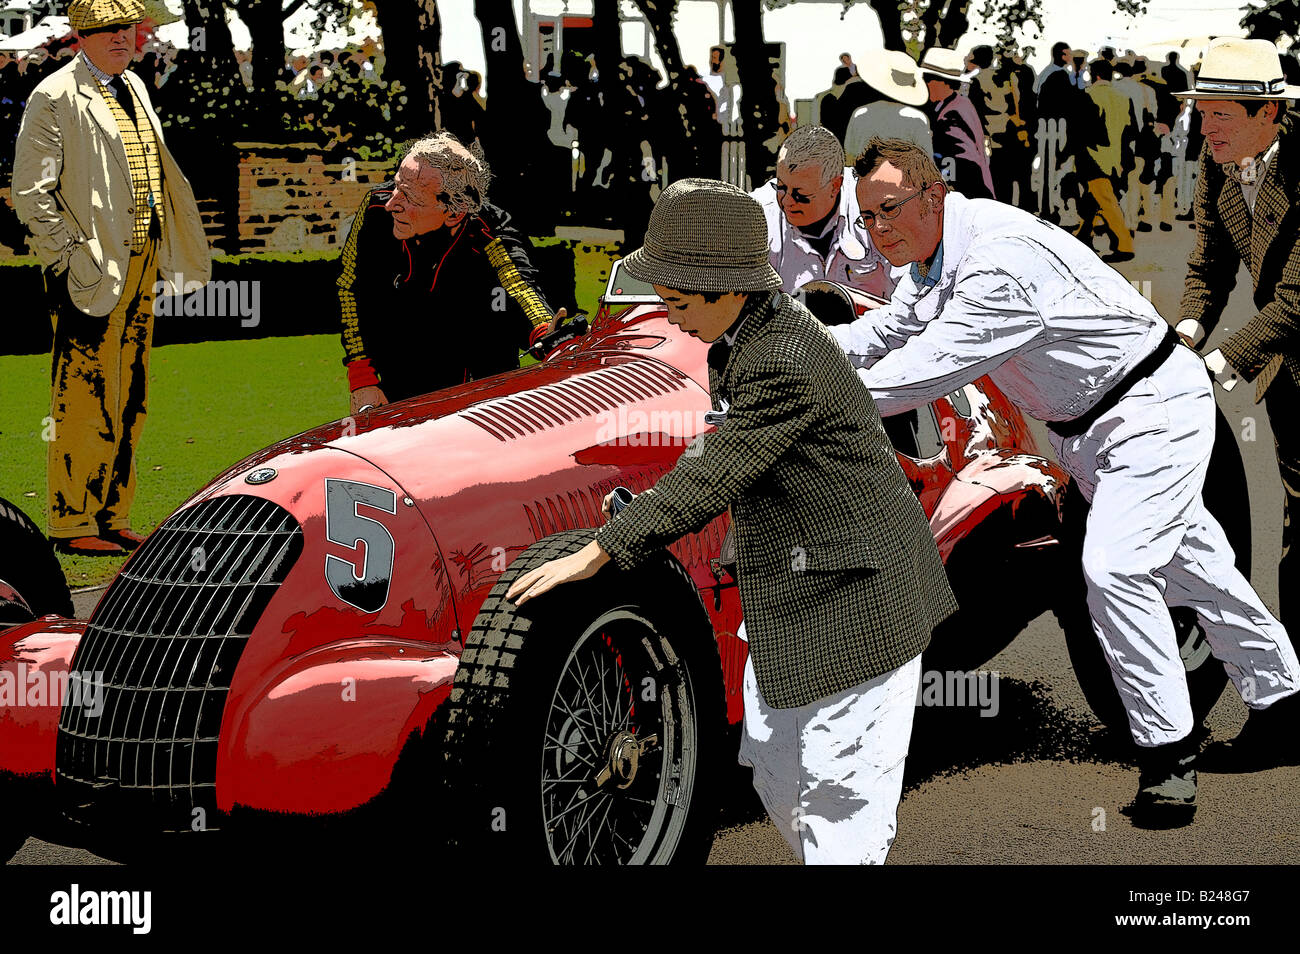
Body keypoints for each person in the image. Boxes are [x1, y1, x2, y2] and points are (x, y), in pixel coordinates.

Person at [829, 137, 1299, 822]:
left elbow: (921, 369)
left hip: (1148, 409)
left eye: (891, 210)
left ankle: (1168, 759)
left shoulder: (997, 265)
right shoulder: (931, 255)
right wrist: (797, 352)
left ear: (933, 195)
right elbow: (888, 331)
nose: (879, 231)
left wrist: (809, 390)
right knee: (1197, 569)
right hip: (1092, 425)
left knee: (1113, 570)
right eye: (867, 217)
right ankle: (1285, 704)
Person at [506, 177, 956, 864]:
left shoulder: (782, 357)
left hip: (863, 593)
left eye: (680, 301)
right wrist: (640, 513)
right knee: (775, 766)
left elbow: (717, 473)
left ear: (727, 290)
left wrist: (605, 548)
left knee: (841, 800)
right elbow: (725, 446)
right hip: (797, 586)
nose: (670, 316)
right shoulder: (743, 337)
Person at [11, 0, 210, 556]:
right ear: (81, 35)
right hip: (90, 266)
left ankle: (113, 513)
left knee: (131, 393)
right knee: (83, 395)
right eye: (108, 29)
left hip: (141, 258)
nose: (122, 37)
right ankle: (73, 522)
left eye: (127, 27)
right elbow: (32, 193)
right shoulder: (52, 94)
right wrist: (71, 256)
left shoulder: (135, 88)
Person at [1174, 40, 1300, 762]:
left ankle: (1286, 716)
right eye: (1203, 114)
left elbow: (1294, 301)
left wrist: (1216, 362)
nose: (1209, 128)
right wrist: (1185, 336)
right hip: (1292, 379)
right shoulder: (1218, 165)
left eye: (1222, 114)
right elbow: (1209, 263)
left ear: (1270, 113)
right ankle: (1289, 709)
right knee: (1293, 543)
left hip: (1293, 342)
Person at [336, 132, 562, 413]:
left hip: (478, 388)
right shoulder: (375, 210)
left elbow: (517, 284)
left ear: (454, 212)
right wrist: (362, 377)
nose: (392, 203)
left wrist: (549, 334)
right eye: (396, 186)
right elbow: (351, 288)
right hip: (397, 377)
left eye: (410, 196)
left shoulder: (489, 229)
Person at [750, 124, 894, 299]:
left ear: (835, 186)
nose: (787, 201)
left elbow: (914, 294)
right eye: (780, 187)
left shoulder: (876, 204)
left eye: (800, 194)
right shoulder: (759, 214)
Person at [1075, 58, 1137, 262]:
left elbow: (1085, 133)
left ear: (1095, 75)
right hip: (1116, 157)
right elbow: (1131, 130)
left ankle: (1124, 245)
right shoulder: (1123, 97)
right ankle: (1083, 236)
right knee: (1096, 200)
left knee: (1106, 201)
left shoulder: (1088, 96)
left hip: (1093, 157)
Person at [919, 47, 994, 199]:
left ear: (943, 82)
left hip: (969, 196)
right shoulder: (961, 103)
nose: (924, 84)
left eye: (928, 78)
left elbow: (965, 162)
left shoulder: (950, 115)